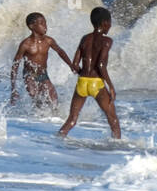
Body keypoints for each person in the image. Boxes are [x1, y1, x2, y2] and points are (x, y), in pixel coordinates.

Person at [58, 7, 121, 139]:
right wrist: (110, 86)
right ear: (105, 23)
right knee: (113, 120)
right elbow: (101, 65)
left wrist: (83, 74)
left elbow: (74, 65)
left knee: (72, 119)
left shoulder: (85, 39)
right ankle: (118, 147)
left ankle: (57, 140)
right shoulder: (107, 41)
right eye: (110, 22)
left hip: (82, 83)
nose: (110, 25)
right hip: (96, 84)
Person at [9, 12, 73, 108]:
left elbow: (60, 52)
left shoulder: (48, 41)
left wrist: (71, 65)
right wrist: (13, 89)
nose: (45, 26)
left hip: (43, 75)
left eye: (45, 23)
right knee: (37, 100)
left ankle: (54, 119)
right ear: (32, 26)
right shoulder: (26, 44)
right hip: (29, 76)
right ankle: (39, 119)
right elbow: (15, 64)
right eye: (42, 23)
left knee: (54, 100)